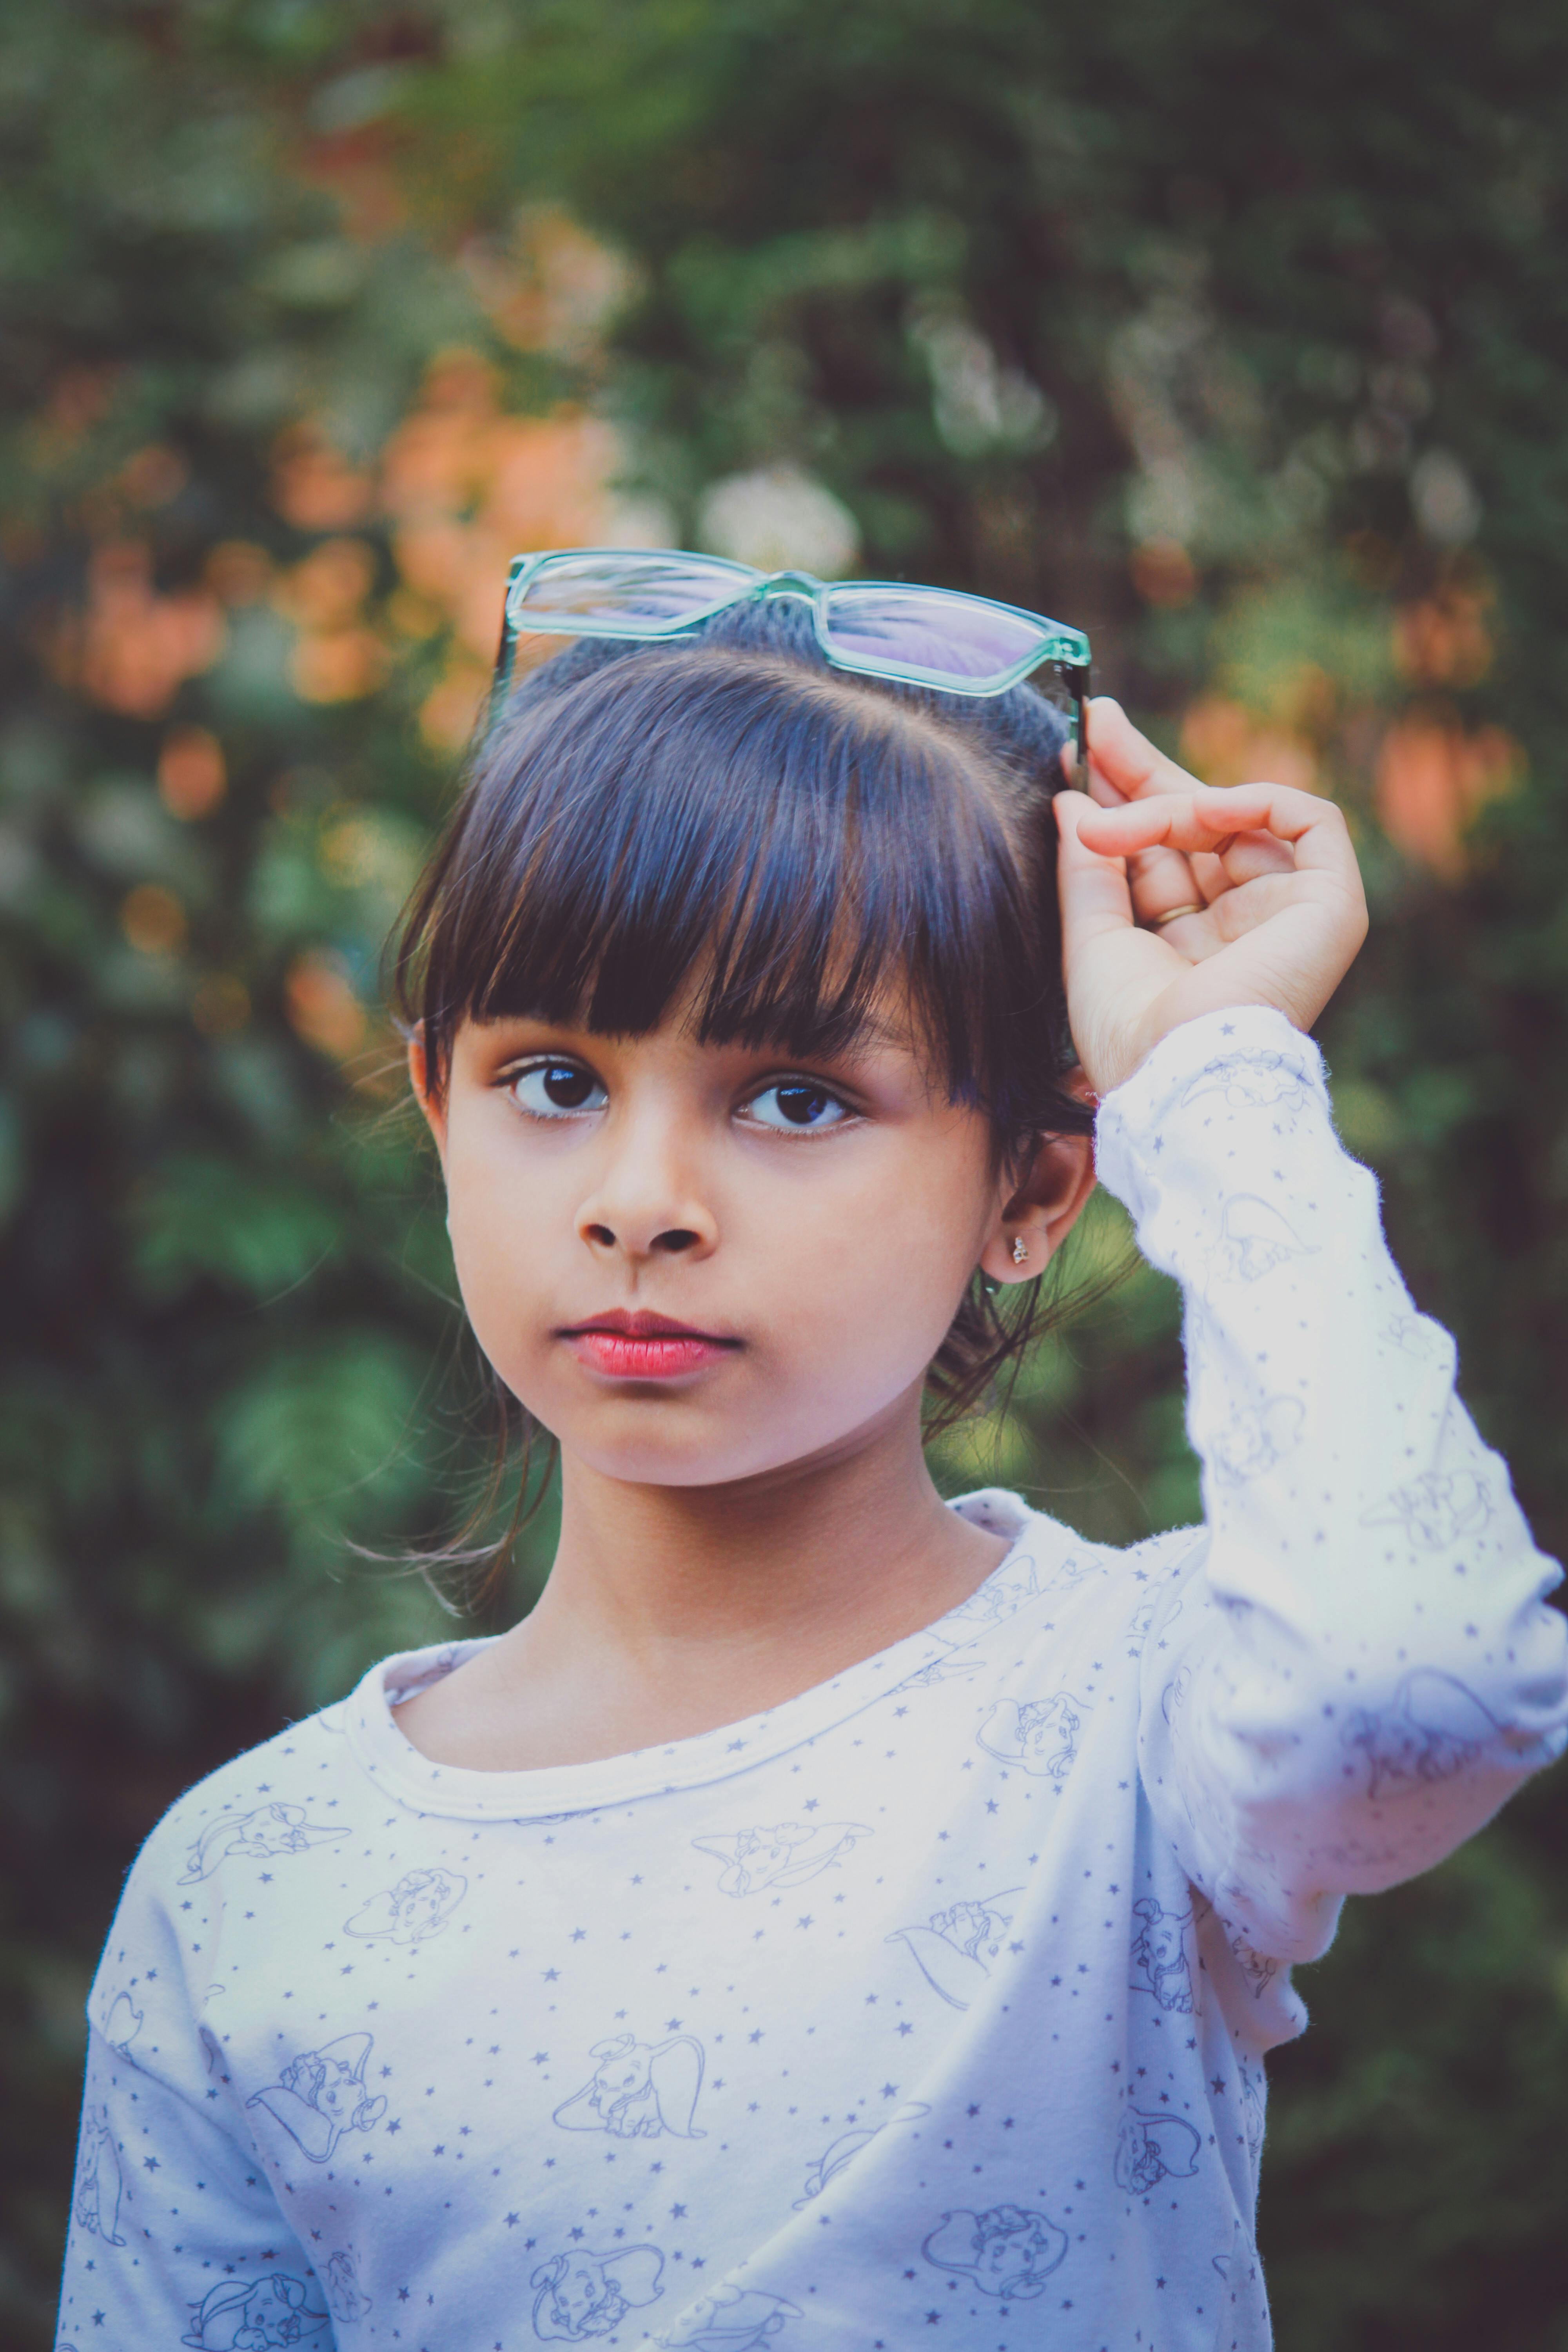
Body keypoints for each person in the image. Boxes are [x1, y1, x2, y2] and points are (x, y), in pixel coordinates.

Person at [56, 564, 1567, 2352]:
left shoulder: (1137, 1714)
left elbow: (1419, 1681)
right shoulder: (250, 1884)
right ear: (440, 1107)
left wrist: (1210, 1072)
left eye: (796, 1098)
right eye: (553, 1082)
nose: (640, 1203)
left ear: (1031, 1189)